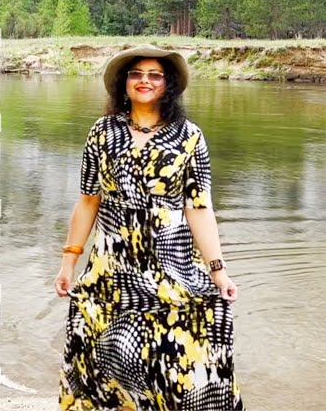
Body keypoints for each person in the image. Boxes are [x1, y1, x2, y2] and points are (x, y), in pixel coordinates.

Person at [55, 44, 243, 410]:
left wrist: (218, 270)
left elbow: (199, 208)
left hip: (170, 265)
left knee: (174, 352)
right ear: (124, 83)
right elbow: (88, 200)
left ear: (167, 84)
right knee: (103, 348)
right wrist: (69, 262)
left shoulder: (189, 136)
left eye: (155, 75)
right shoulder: (102, 132)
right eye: (137, 74)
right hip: (110, 266)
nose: (145, 81)